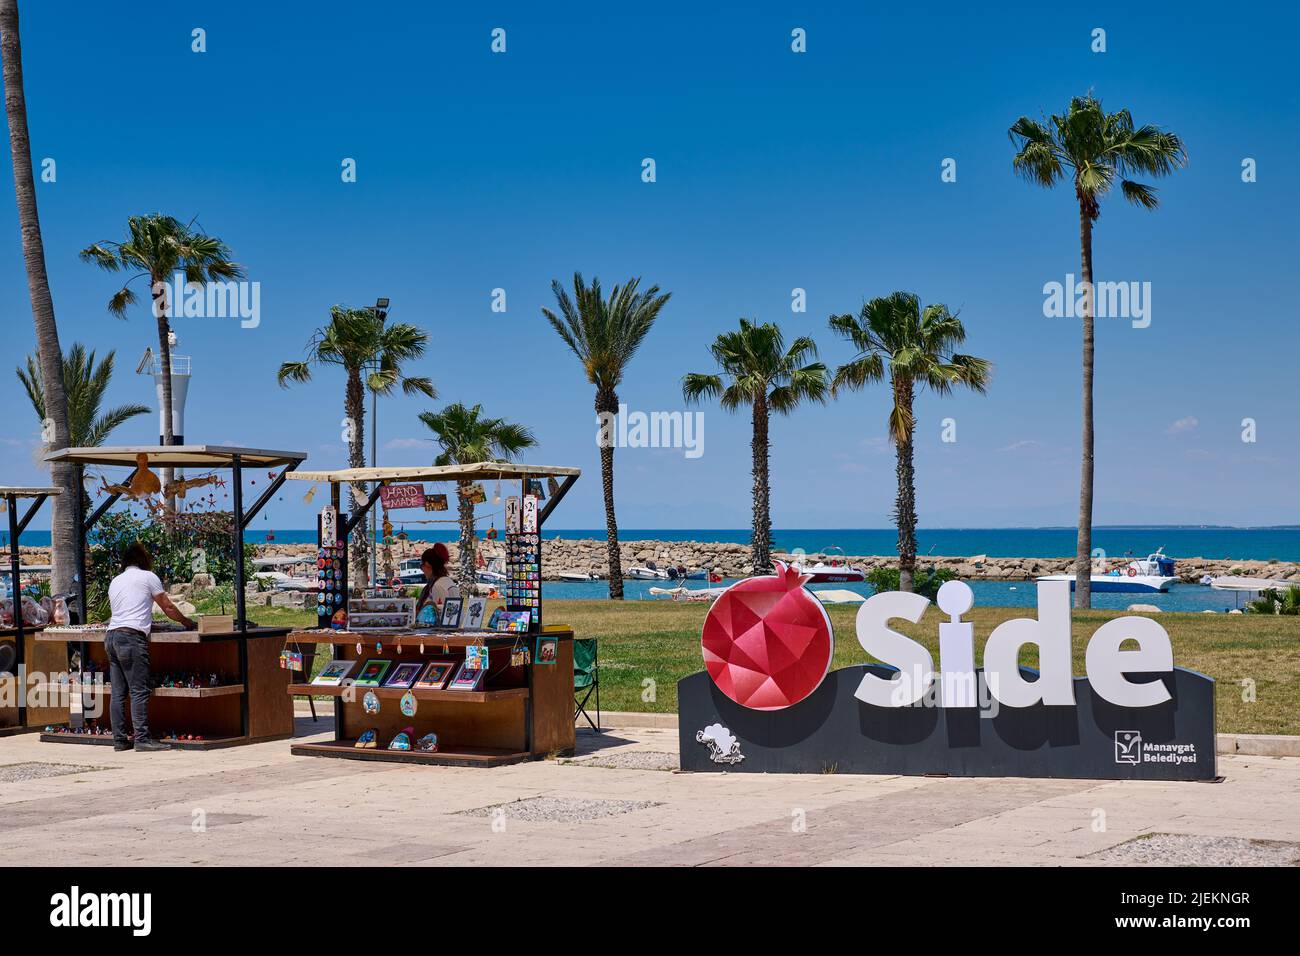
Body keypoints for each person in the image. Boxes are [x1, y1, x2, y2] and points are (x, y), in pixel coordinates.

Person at [106, 543, 196, 752]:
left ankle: (119, 740)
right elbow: (167, 606)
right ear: (143, 560)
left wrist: (148, 622)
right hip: (131, 638)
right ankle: (142, 739)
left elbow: (126, 609)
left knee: (118, 692)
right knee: (139, 690)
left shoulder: (115, 581)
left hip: (111, 637)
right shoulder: (148, 577)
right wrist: (186, 622)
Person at [414, 543, 459, 618]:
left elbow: (440, 614)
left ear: (428, 565)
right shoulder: (447, 581)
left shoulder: (437, 586)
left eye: (422, 566)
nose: (422, 570)